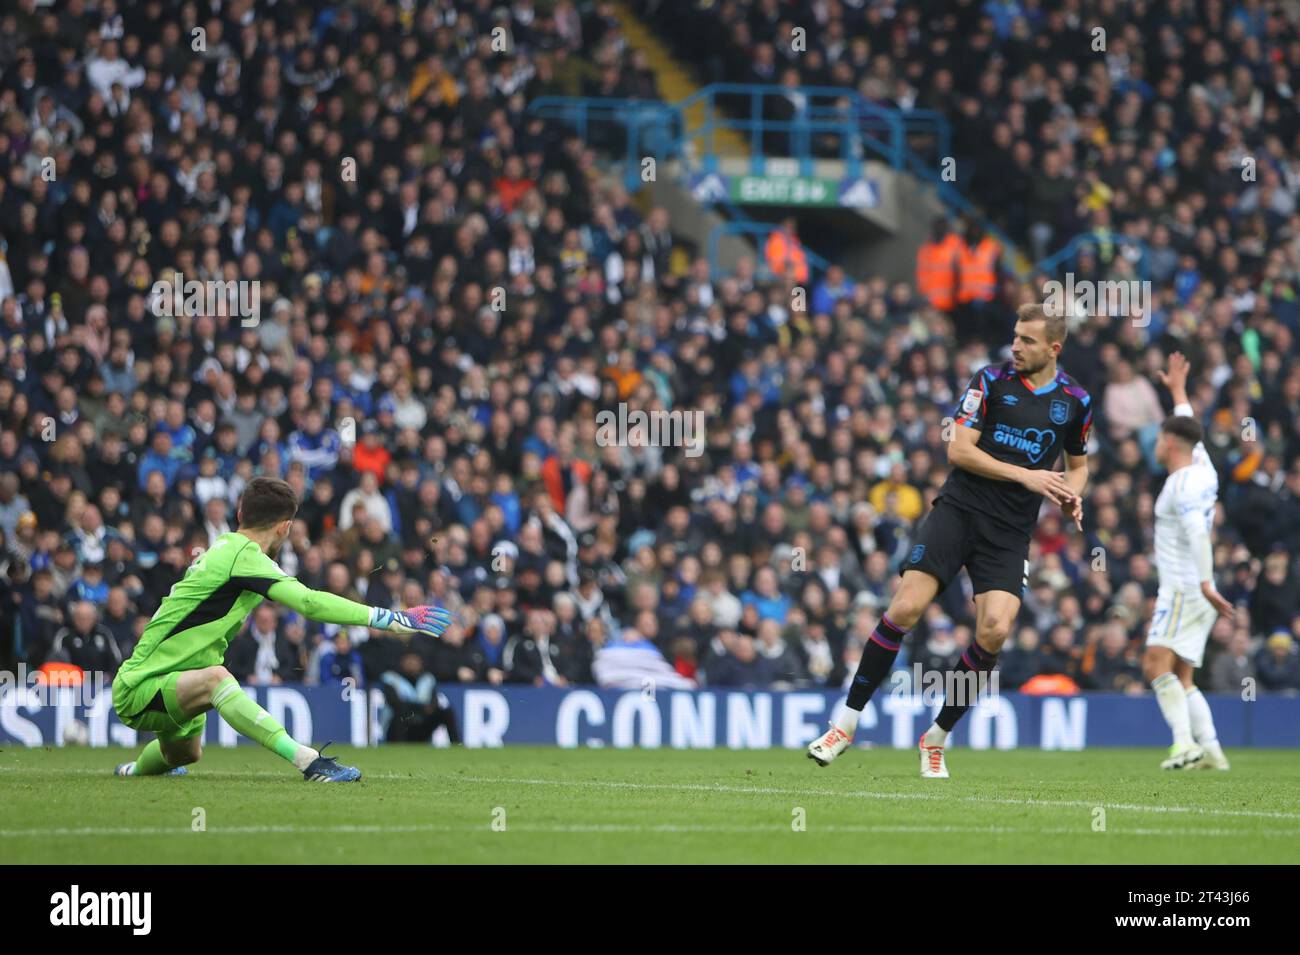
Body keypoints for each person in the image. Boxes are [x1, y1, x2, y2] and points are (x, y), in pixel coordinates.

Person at [807, 303, 1091, 777]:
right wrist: (1029, 476)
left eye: (1027, 341)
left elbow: (1078, 468)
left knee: (994, 631)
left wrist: (1070, 495)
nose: (1016, 346)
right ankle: (845, 725)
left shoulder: (1076, 400)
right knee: (904, 609)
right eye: (1015, 336)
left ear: (1054, 348)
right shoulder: (989, 381)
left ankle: (935, 738)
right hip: (960, 511)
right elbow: (959, 450)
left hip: (1009, 532)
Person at [111, 477, 455, 782]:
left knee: (184, 754)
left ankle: (132, 771)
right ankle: (308, 761)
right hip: (142, 687)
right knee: (217, 678)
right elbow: (308, 602)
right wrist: (389, 618)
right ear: (284, 528)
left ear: (241, 512)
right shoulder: (244, 557)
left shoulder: (225, 548)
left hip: (176, 679)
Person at [1140, 353, 1234, 771]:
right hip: (1195, 591)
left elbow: (1198, 531)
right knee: (1182, 677)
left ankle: (1183, 744)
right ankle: (1211, 749)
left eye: (1160, 438)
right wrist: (1178, 391)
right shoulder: (1203, 468)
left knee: (1153, 663)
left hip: (1185, 587)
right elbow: (1188, 427)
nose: (1156, 443)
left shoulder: (1179, 487)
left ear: (1170, 444)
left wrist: (1207, 583)